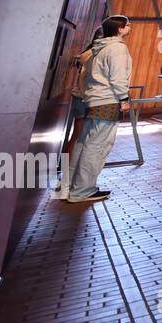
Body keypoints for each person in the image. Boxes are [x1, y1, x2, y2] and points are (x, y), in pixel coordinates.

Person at [68, 16, 133, 204]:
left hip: (94, 99)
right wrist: (124, 98)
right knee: (97, 146)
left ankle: (72, 186)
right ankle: (82, 190)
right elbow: (118, 77)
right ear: (119, 29)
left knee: (84, 143)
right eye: (127, 25)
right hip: (108, 100)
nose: (129, 27)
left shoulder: (100, 47)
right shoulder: (118, 49)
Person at [54, 28, 102, 200]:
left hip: (79, 98)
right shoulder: (94, 55)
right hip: (84, 99)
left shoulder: (87, 53)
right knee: (79, 139)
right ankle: (67, 179)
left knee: (76, 137)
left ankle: (65, 176)